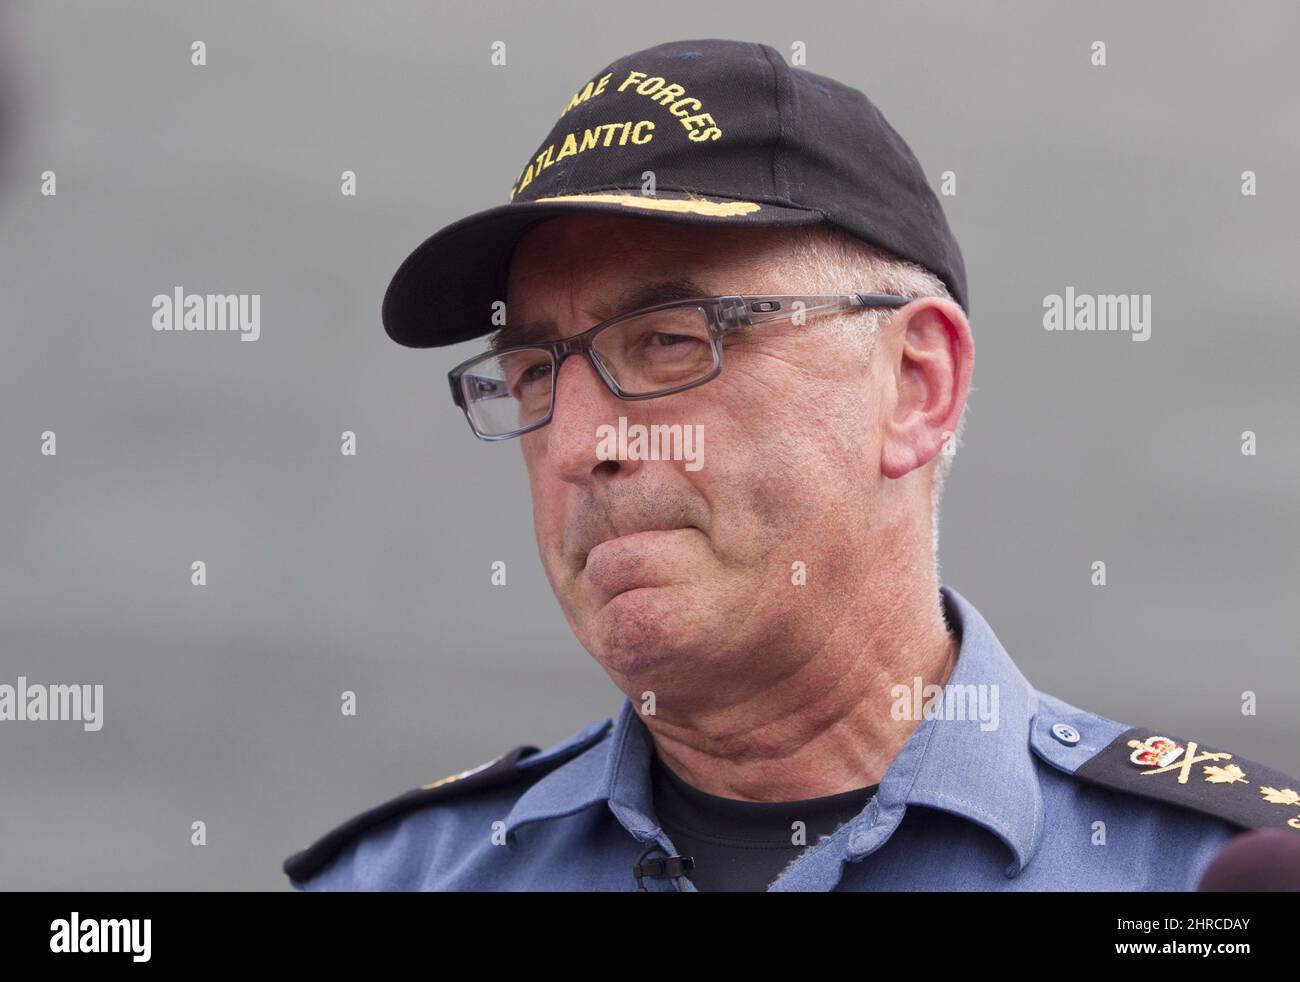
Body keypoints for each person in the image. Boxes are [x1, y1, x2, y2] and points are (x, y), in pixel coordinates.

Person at [284, 38, 1300, 891]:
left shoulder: (1204, 879)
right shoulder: (407, 877)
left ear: (914, 385)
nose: (580, 443)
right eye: (530, 372)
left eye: (671, 339)